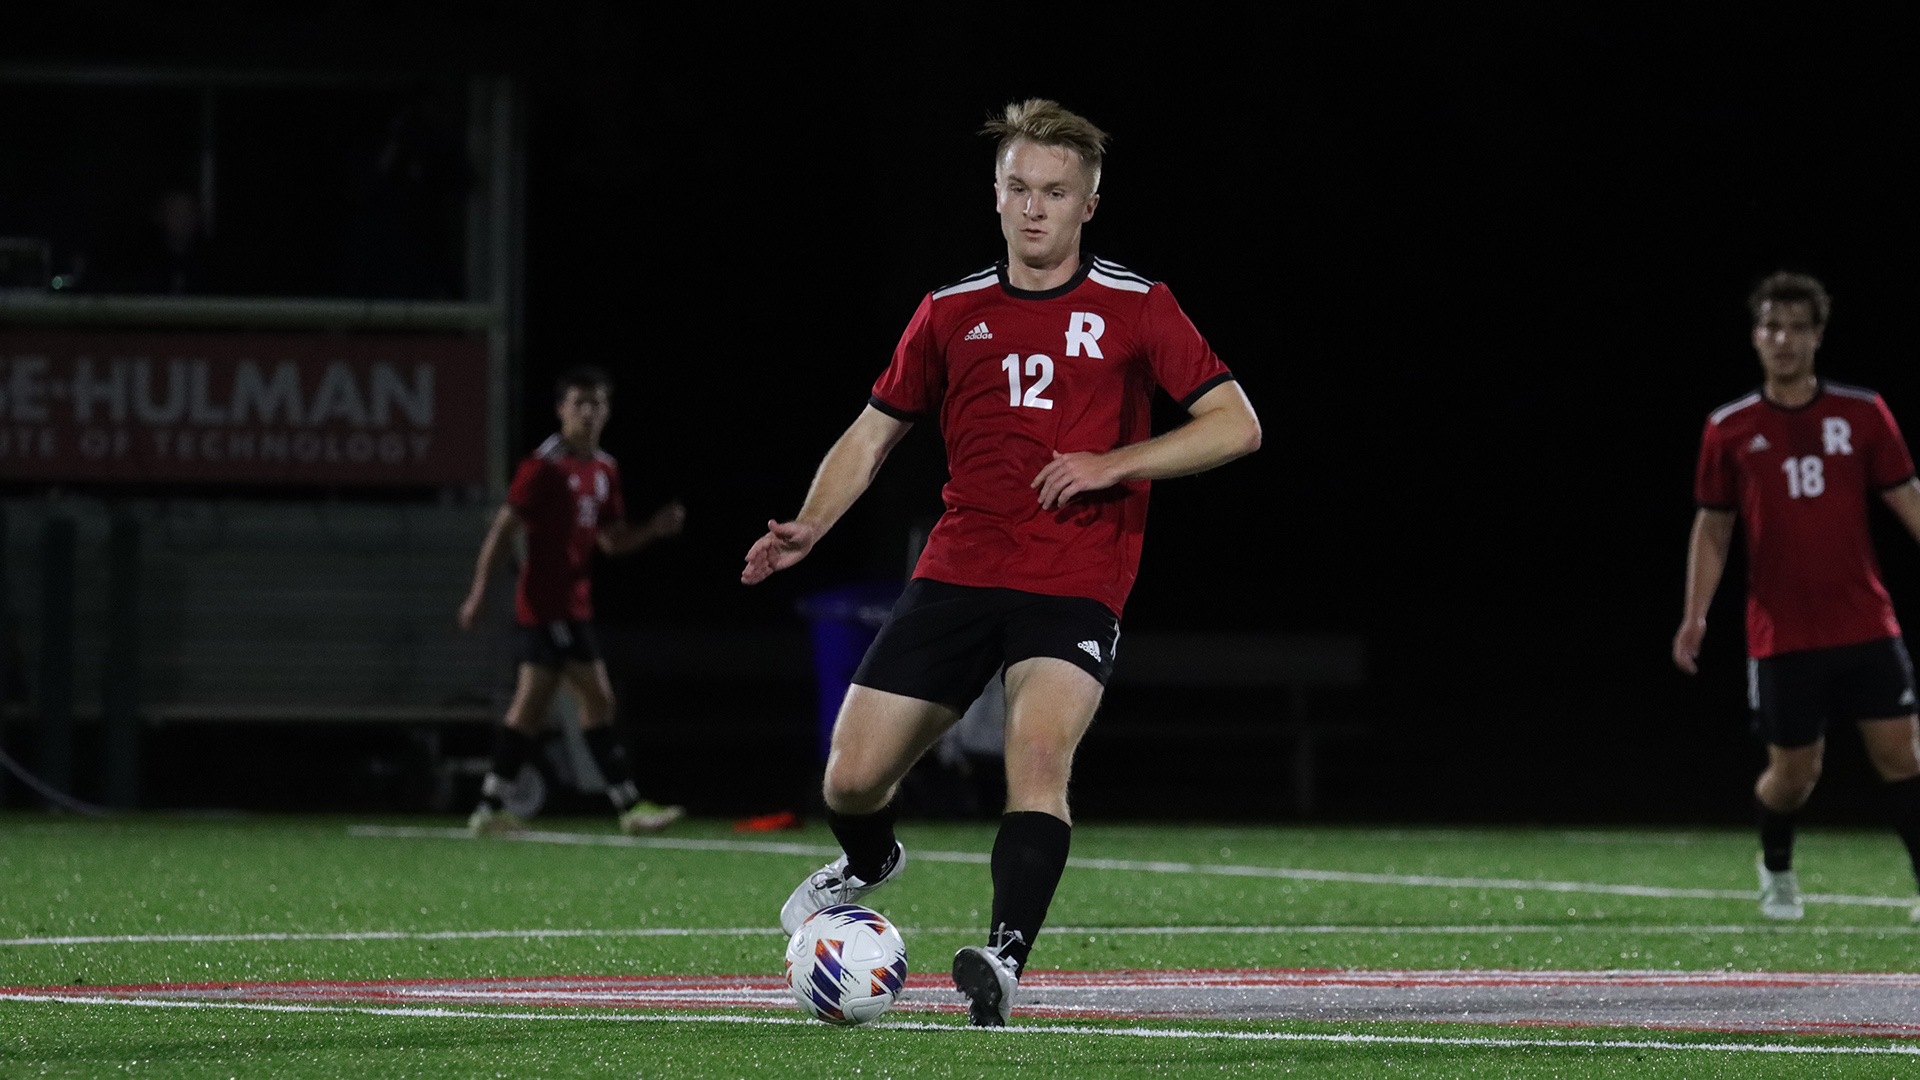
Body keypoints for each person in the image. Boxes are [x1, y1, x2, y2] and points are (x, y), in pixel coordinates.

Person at [741, 99, 1261, 1025]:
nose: (1034, 208)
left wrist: (1113, 462)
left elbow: (1236, 424)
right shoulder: (948, 312)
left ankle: (1004, 956)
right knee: (850, 779)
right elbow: (872, 435)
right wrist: (811, 525)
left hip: (1077, 578)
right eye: (1018, 188)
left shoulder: (1140, 306)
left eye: (1055, 193)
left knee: (1036, 751)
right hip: (958, 570)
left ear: (1088, 206)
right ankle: (868, 861)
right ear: (995, 194)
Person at [1674, 271, 1920, 922]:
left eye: (1796, 327)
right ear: (1757, 338)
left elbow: (1907, 498)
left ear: (1817, 336)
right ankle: (1776, 867)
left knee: (1903, 755)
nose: (1783, 339)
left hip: (1866, 620)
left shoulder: (1863, 414)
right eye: (1771, 327)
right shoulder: (1729, 428)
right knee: (1794, 776)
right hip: (1781, 632)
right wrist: (1695, 614)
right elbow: (1714, 526)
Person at [460, 366, 687, 836]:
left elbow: (611, 541)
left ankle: (488, 807)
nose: (588, 412)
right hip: (547, 606)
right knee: (597, 698)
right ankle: (628, 806)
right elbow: (503, 530)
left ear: (607, 410)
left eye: (596, 403)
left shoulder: (604, 469)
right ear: (561, 409)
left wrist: (652, 530)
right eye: (578, 403)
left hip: (575, 605)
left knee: (530, 709)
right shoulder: (543, 466)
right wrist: (480, 592)